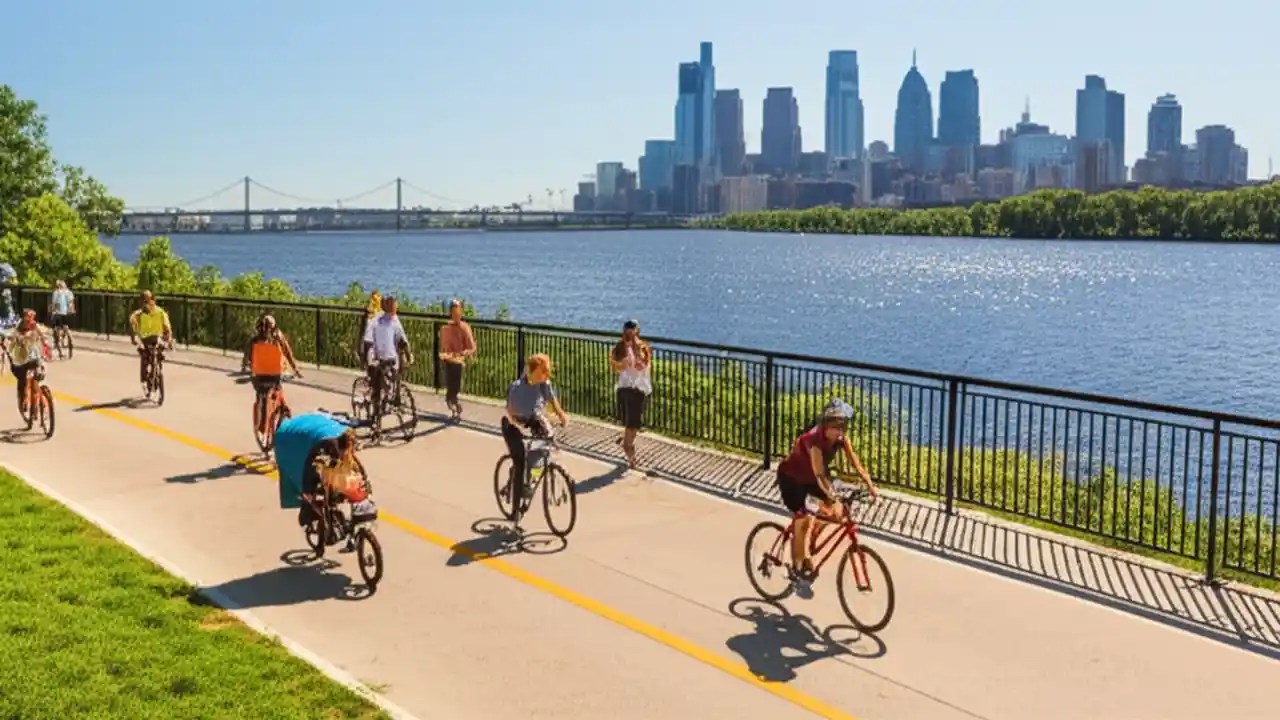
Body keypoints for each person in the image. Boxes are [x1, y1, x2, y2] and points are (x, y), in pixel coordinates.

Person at [774, 398, 878, 599]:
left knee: (837, 513)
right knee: (803, 519)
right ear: (825, 425)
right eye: (835, 426)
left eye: (843, 426)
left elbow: (855, 463)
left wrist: (871, 486)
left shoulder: (841, 439)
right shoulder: (814, 441)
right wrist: (832, 495)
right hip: (793, 479)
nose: (840, 431)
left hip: (812, 479)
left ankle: (812, 537)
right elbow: (820, 474)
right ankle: (796, 568)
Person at [502, 354, 569, 502]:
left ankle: (531, 477)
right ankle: (518, 487)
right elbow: (510, 411)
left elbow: (552, 401)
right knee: (523, 457)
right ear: (530, 371)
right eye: (541, 372)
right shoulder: (517, 387)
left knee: (544, 447)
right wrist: (519, 427)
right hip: (517, 423)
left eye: (546, 372)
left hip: (536, 419)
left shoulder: (545, 384)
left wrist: (561, 415)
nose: (544, 376)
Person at [241, 314, 303, 431]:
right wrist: (296, 369)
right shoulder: (278, 337)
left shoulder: (254, 340)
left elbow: (247, 355)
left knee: (260, 390)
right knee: (278, 388)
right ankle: (284, 408)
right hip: (276, 372)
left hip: (259, 373)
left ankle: (261, 420)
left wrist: (244, 366)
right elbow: (287, 352)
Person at [361, 296, 412, 422]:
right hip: (377, 357)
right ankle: (376, 415)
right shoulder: (376, 320)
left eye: (395, 306)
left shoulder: (395, 321)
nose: (395, 308)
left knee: (393, 380)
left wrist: (408, 355)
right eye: (393, 305)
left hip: (391, 358)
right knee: (377, 385)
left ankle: (392, 399)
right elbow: (368, 341)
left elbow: (403, 340)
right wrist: (368, 359)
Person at [609, 318, 651, 469]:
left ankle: (627, 443)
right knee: (631, 423)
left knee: (634, 424)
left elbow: (645, 364)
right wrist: (622, 364)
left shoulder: (642, 347)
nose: (630, 335)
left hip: (640, 388)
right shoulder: (619, 347)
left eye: (632, 332)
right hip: (626, 388)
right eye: (628, 332)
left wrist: (641, 363)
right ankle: (630, 452)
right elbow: (614, 365)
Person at [2, 310, 47, 414]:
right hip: (22, 362)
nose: (29, 320)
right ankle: (26, 400)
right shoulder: (17, 329)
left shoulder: (35, 327)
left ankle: (39, 401)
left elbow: (43, 335)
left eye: (31, 318)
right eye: (27, 318)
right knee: (24, 381)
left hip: (33, 360)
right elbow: (9, 335)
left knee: (34, 381)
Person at [439, 298, 476, 421]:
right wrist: (446, 354)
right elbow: (444, 347)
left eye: (458, 312)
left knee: (455, 388)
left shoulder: (465, 327)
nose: (455, 315)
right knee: (449, 388)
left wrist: (461, 354)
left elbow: (471, 347)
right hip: (447, 361)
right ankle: (453, 406)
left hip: (459, 362)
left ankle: (456, 406)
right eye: (453, 312)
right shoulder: (445, 328)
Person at [128, 291, 173, 389]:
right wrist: (133, 338)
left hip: (157, 338)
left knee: (160, 352)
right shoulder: (138, 314)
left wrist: (169, 339)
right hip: (144, 339)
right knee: (144, 355)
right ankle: (144, 379)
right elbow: (132, 325)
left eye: (149, 300)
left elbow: (167, 327)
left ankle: (157, 373)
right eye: (144, 301)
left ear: (153, 300)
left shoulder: (160, 312)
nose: (147, 303)